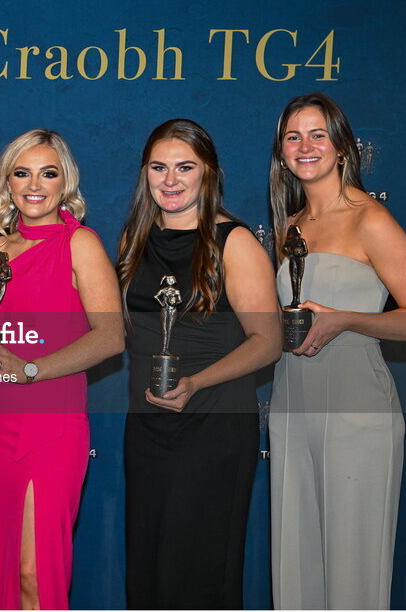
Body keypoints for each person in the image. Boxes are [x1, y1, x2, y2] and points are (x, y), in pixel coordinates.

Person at [267, 93, 406, 610]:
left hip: (356, 409)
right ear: (281, 151)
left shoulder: (371, 219)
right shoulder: (287, 228)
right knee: (294, 563)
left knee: (352, 572)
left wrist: (344, 319)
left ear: (342, 146)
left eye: (318, 134)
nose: (306, 146)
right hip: (291, 407)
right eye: (293, 136)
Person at [116, 119, 281, 609]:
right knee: (150, 569)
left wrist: (195, 382)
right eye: (159, 167)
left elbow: (268, 342)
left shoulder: (235, 241)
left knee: (200, 572)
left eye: (185, 167)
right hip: (147, 427)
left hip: (213, 422)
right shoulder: (134, 238)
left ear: (209, 173)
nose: (171, 180)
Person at [0, 129, 123, 610]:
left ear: (64, 183)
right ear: (7, 183)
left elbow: (111, 337)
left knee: (35, 571)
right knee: (1, 571)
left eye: (48, 173)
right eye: (22, 172)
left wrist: (29, 369)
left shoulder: (81, 244)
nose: (35, 184)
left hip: (51, 426)